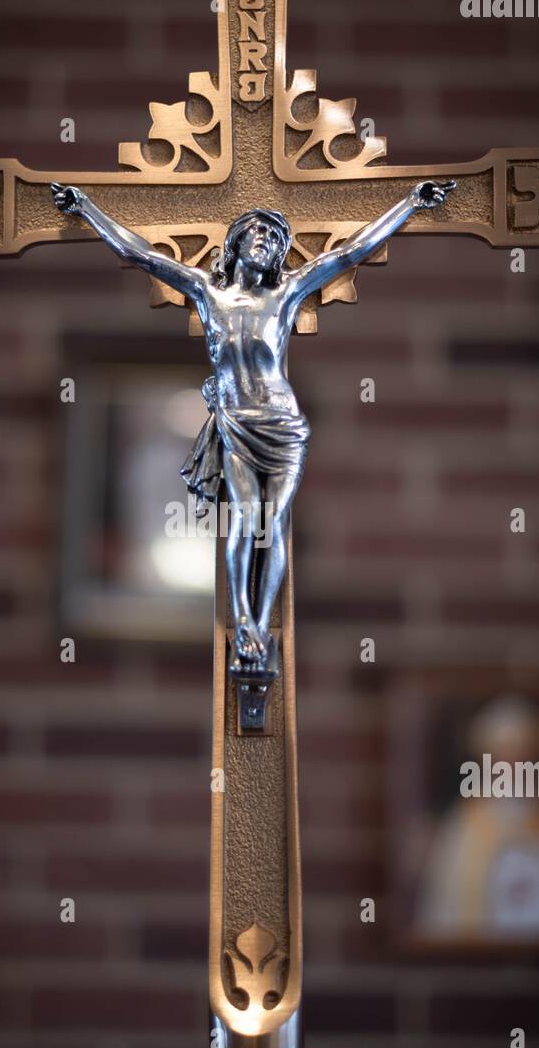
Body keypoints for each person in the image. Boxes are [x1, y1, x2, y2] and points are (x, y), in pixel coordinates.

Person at [52, 178, 455, 676]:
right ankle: (242, 621)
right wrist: (88, 209)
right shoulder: (207, 294)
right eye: (258, 234)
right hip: (237, 424)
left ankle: (261, 627)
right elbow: (145, 256)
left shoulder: (285, 296)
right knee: (248, 519)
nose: (266, 243)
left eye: (274, 238)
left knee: (275, 523)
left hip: (282, 426)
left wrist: (411, 204)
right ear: (237, 242)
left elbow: (353, 251)